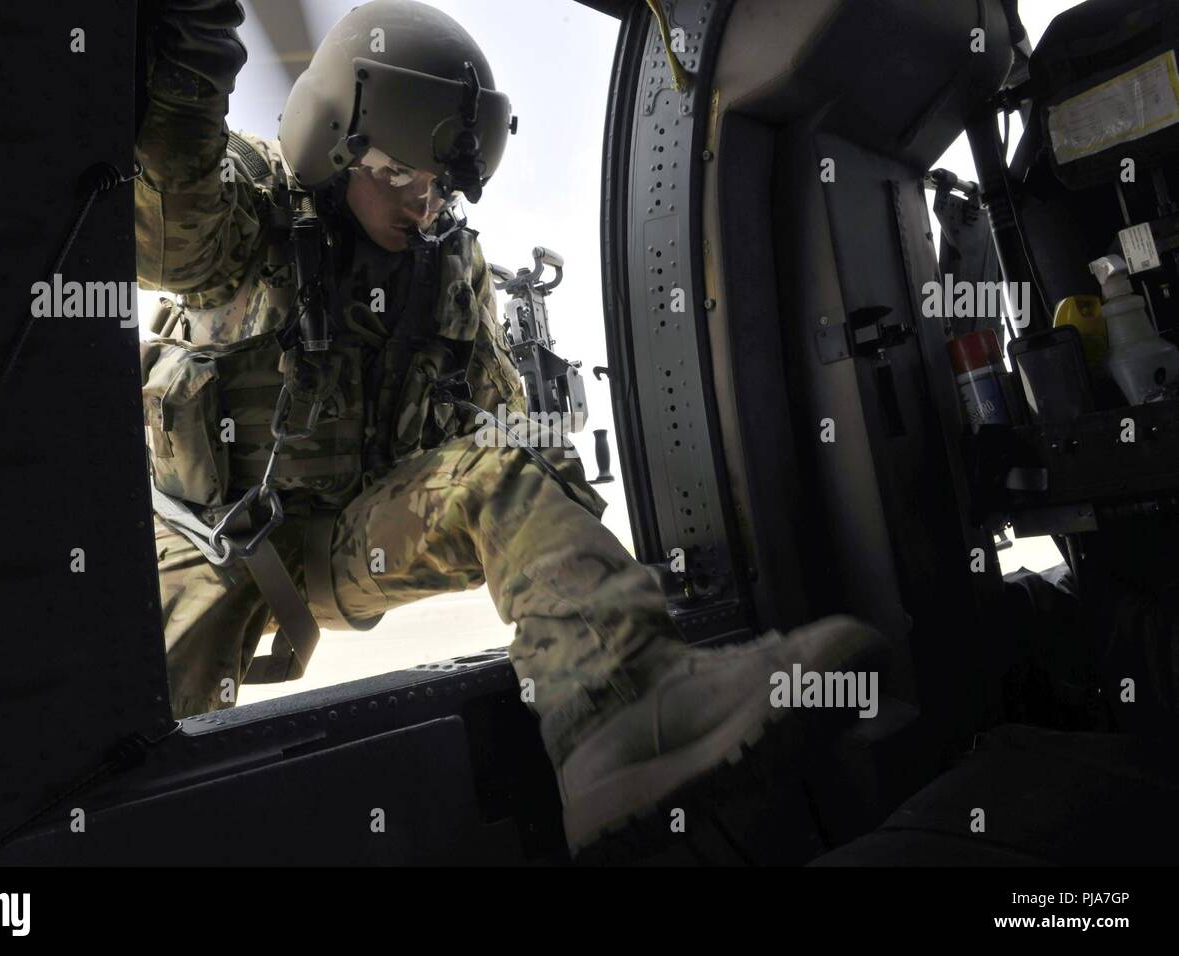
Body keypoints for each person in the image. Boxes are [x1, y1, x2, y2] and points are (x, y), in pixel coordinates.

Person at [136, 0, 885, 855]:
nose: (424, 206)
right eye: (400, 175)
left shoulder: (450, 267)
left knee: (519, 470)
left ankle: (625, 709)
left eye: (441, 187)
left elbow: (503, 430)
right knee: (122, 765)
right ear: (330, 139)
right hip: (211, 541)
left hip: (346, 542)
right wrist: (188, 41)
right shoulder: (249, 209)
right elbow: (170, 190)